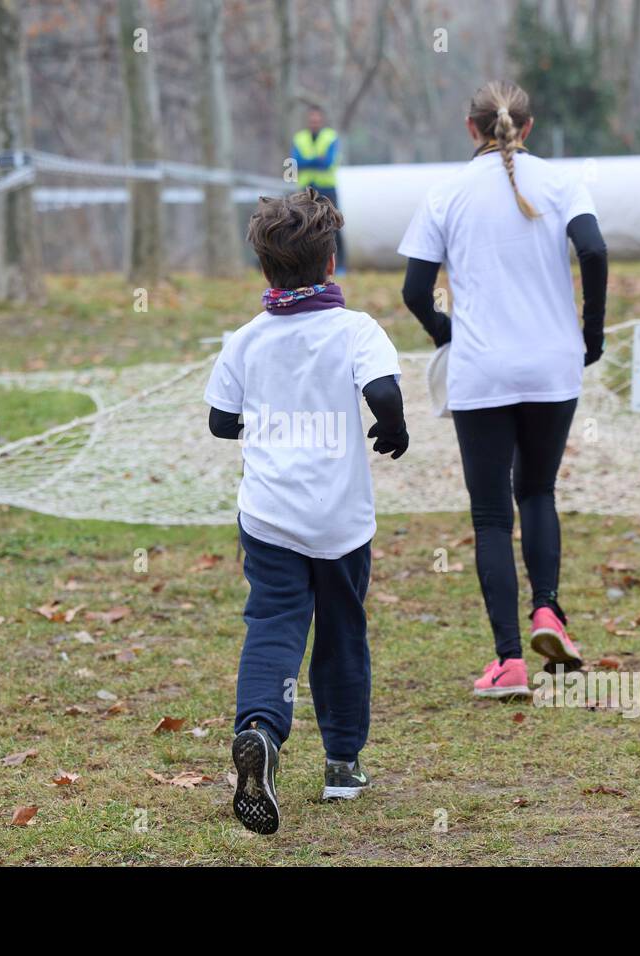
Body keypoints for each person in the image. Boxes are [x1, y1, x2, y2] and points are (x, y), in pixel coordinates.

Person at [204, 188, 408, 834]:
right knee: (342, 632)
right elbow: (382, 390)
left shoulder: (246, 340)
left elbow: (218, 420)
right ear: (330, 265)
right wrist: (392, 429)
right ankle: (343, 764)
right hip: (341, 522)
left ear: (266, 271)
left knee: (273, 624)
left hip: (268, 517)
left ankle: (260, 730)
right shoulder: (355, 329)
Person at [398, 81, 608, 698]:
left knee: (492, 517)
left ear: (471, 129)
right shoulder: (561, 182)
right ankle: (548, 611)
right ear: (529, 125)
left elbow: (414, 291)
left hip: (482, 371)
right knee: (538, 491)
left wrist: (447, 333)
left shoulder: (445, 193)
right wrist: (588, 332)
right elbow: (593, 249)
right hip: (552, 365)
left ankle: (509, 664)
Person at [291, 107, 346, 270]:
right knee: (306, 227)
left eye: (317, 120)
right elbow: (295, 163)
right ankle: (311, 264)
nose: (314, 123)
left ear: (321, 121)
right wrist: (316, 160)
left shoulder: (331, 137)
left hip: (327, 187)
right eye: (311, 120)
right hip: (306, 188)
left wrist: (307, 160)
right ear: (308, 121)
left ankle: (340, 265)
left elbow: (327, 162)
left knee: (333, 224)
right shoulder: (299, 138)